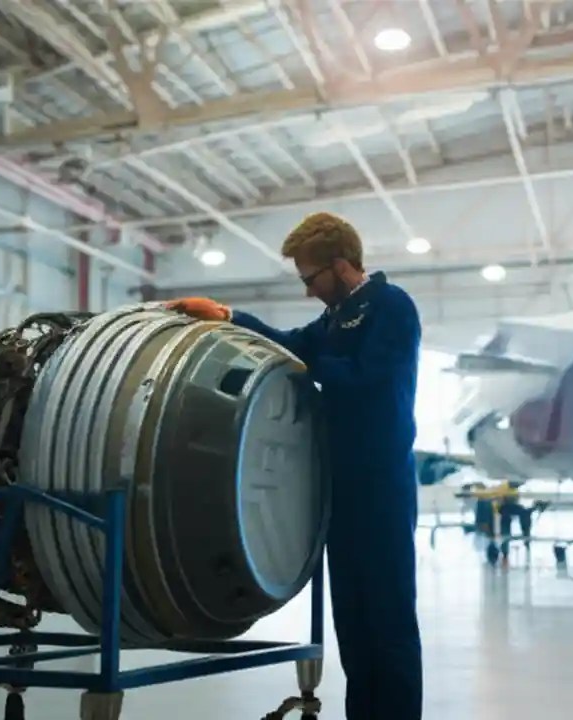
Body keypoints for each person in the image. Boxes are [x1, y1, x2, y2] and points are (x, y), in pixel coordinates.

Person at [164, 212, 423, 720]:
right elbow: (290, 342)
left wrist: (304, 369)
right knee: (352, 621)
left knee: (388, 621)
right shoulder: (334, 318)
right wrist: (224, 315)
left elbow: (366, 377)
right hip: (340, 491)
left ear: (342, 265)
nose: (308, 291)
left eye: (311, 278)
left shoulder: (391, 307)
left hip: (382, 489)